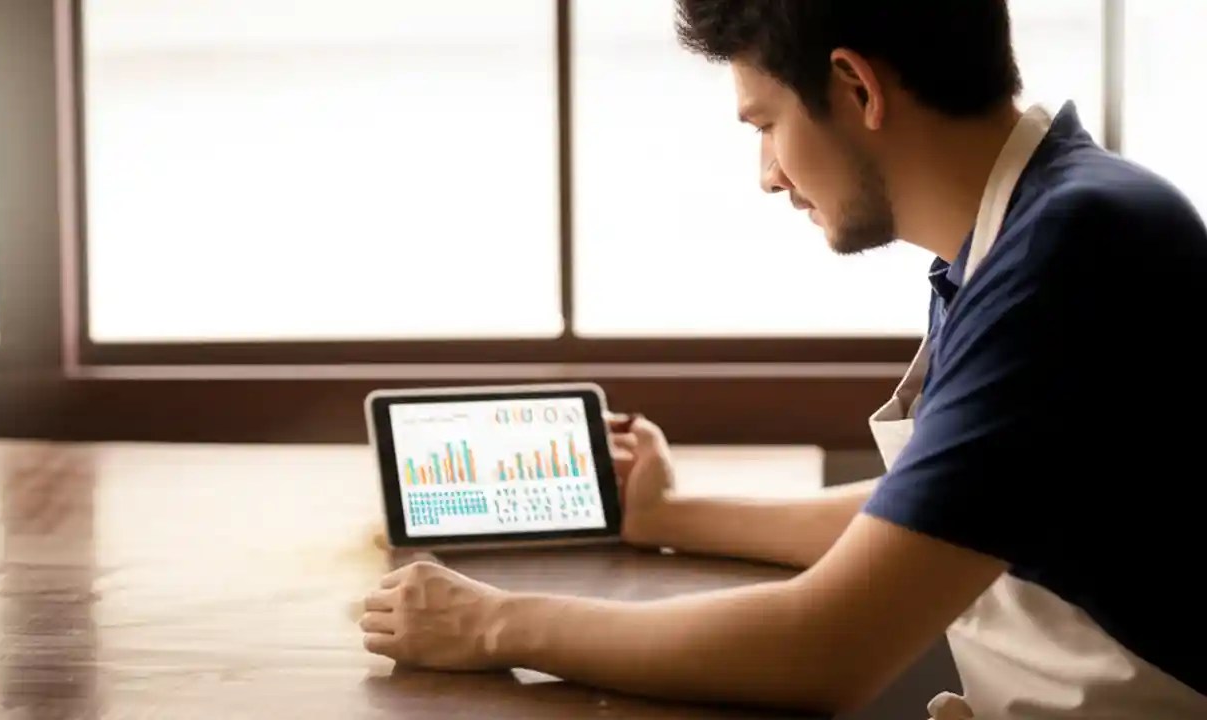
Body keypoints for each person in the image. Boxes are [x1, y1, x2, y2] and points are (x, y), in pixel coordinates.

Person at [358, 1, 1207, 716]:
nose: (767, 174)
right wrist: (669, 518)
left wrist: (495, 625)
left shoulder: (1072, 249)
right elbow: (930, 518)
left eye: (766, 124)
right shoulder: (1033, 227)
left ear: (856, 86)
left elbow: (826, 649)